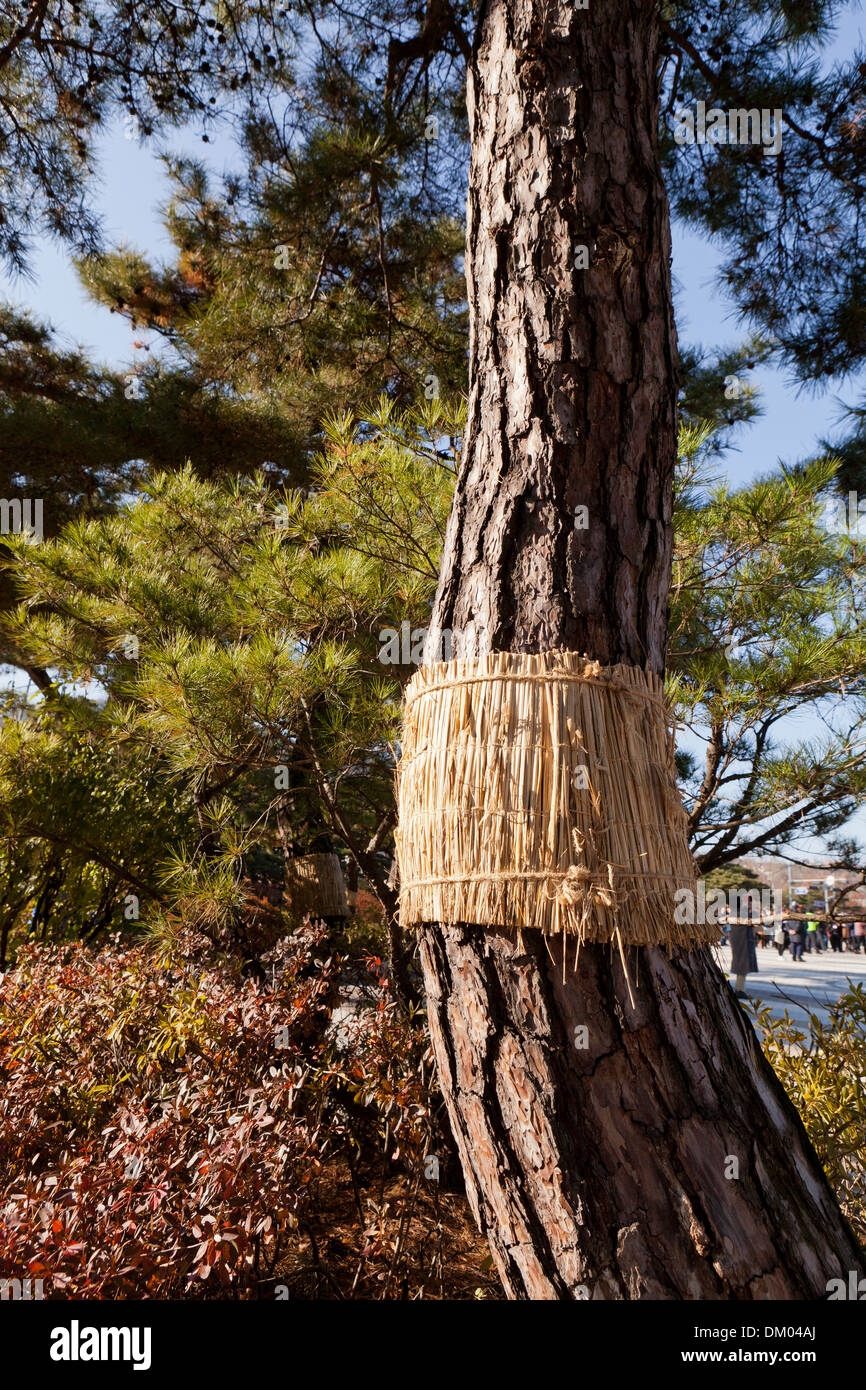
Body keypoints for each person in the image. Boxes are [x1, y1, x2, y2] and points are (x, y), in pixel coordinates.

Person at [729, 916, 758, 997]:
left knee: (741, 966)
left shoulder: (734, 915)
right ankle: (739, 989)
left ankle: (739, 988)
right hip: (743, 942)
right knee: (743, 966)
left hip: (738, 941)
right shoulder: (742, 915)